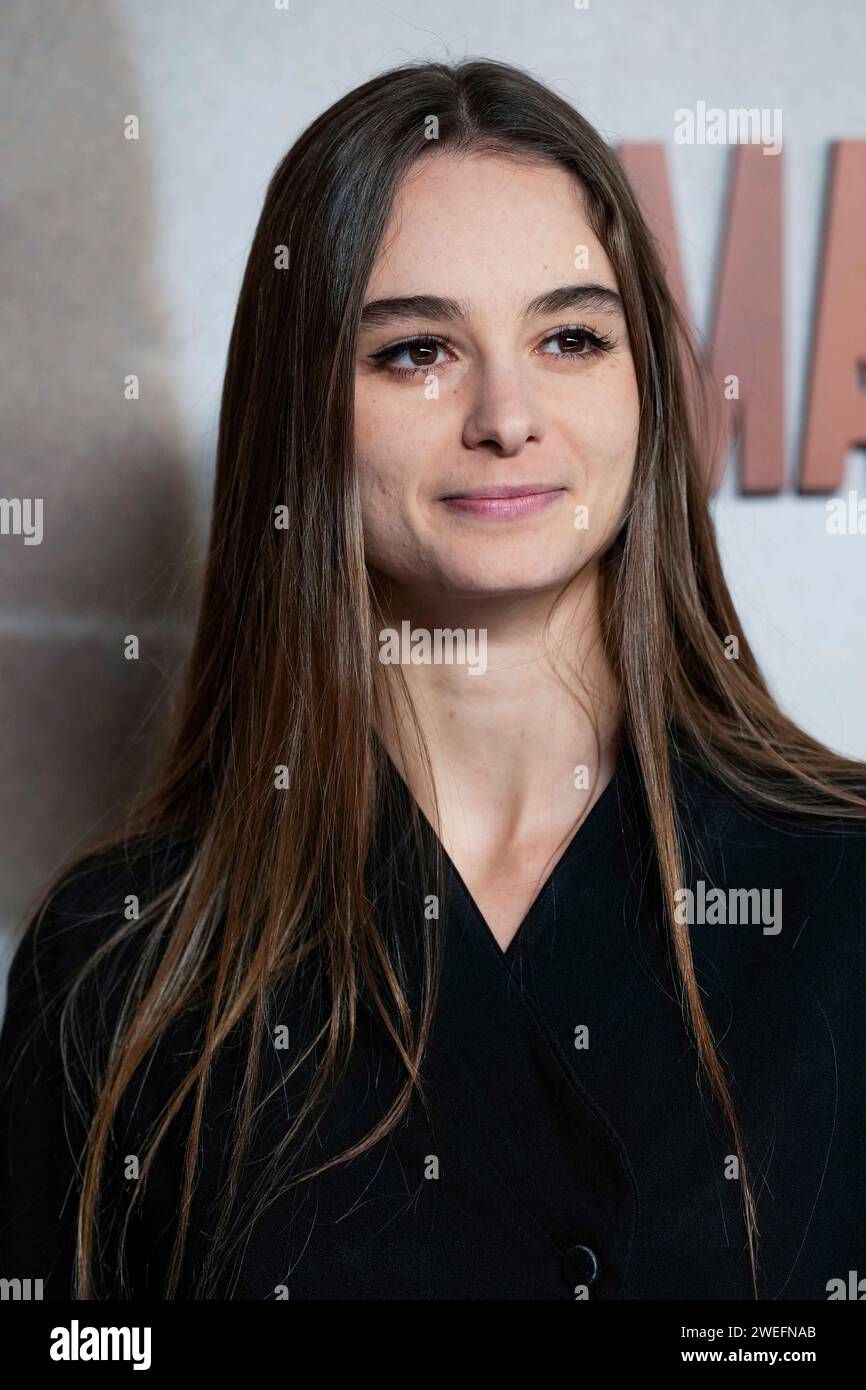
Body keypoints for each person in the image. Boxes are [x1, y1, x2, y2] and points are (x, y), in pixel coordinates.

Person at [2, 56, 865, 1302]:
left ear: (644, 392)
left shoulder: (842, 887)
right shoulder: (122, 962)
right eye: (415, 352)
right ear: (303, 407)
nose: (506, 414)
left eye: (570, 336)